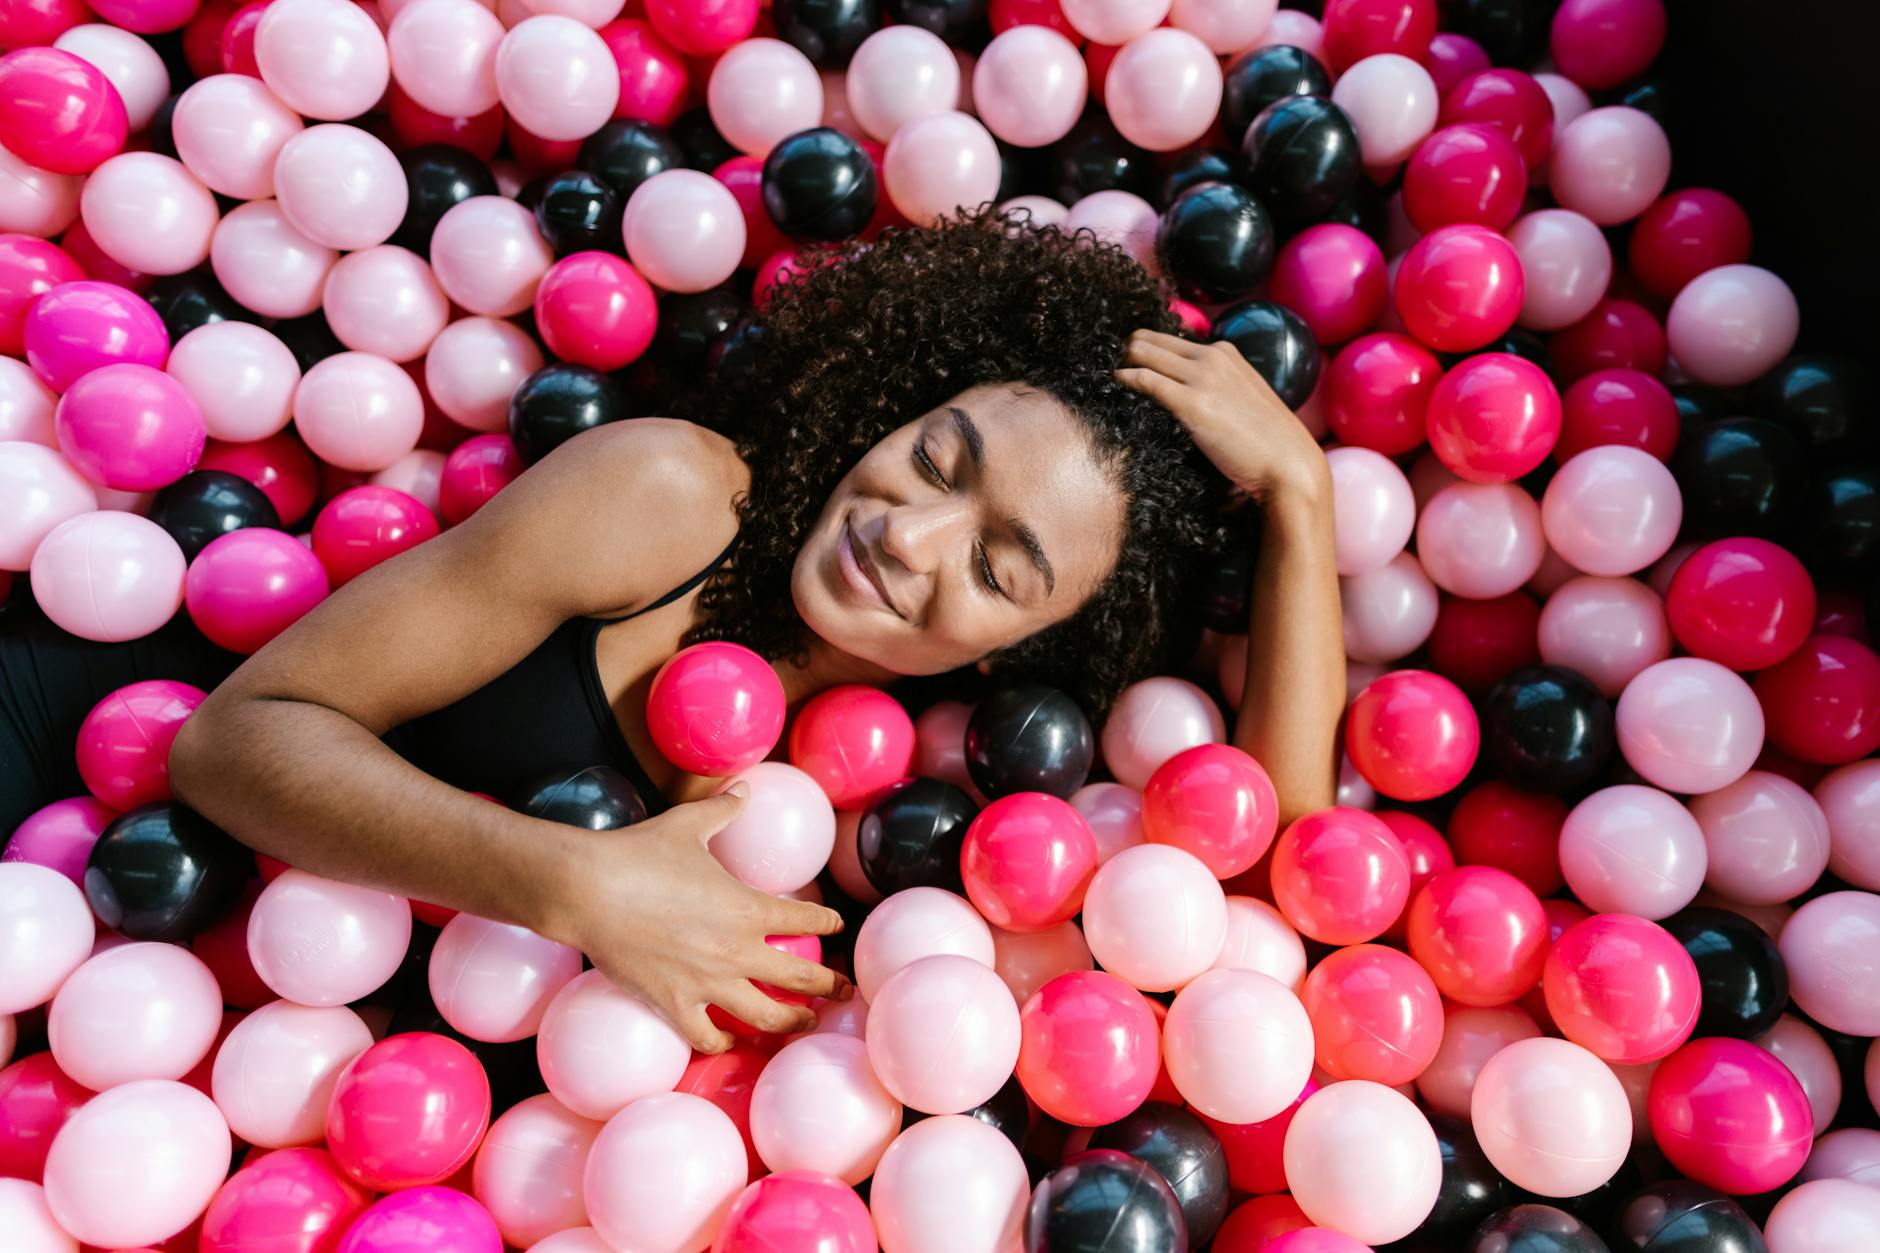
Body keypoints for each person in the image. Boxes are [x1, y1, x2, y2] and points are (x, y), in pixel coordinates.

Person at [62, 210, 1343, 1052]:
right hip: (73, 786)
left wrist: (1298, 500)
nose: (911, 535)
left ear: (1027, 653)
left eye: (1000, 568)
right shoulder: (673, 497)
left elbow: (1278, 863)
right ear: (897, 400)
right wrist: (577, 883)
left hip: (219, 1021)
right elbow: (233, 741)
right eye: (937, 457)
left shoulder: (936, 789)